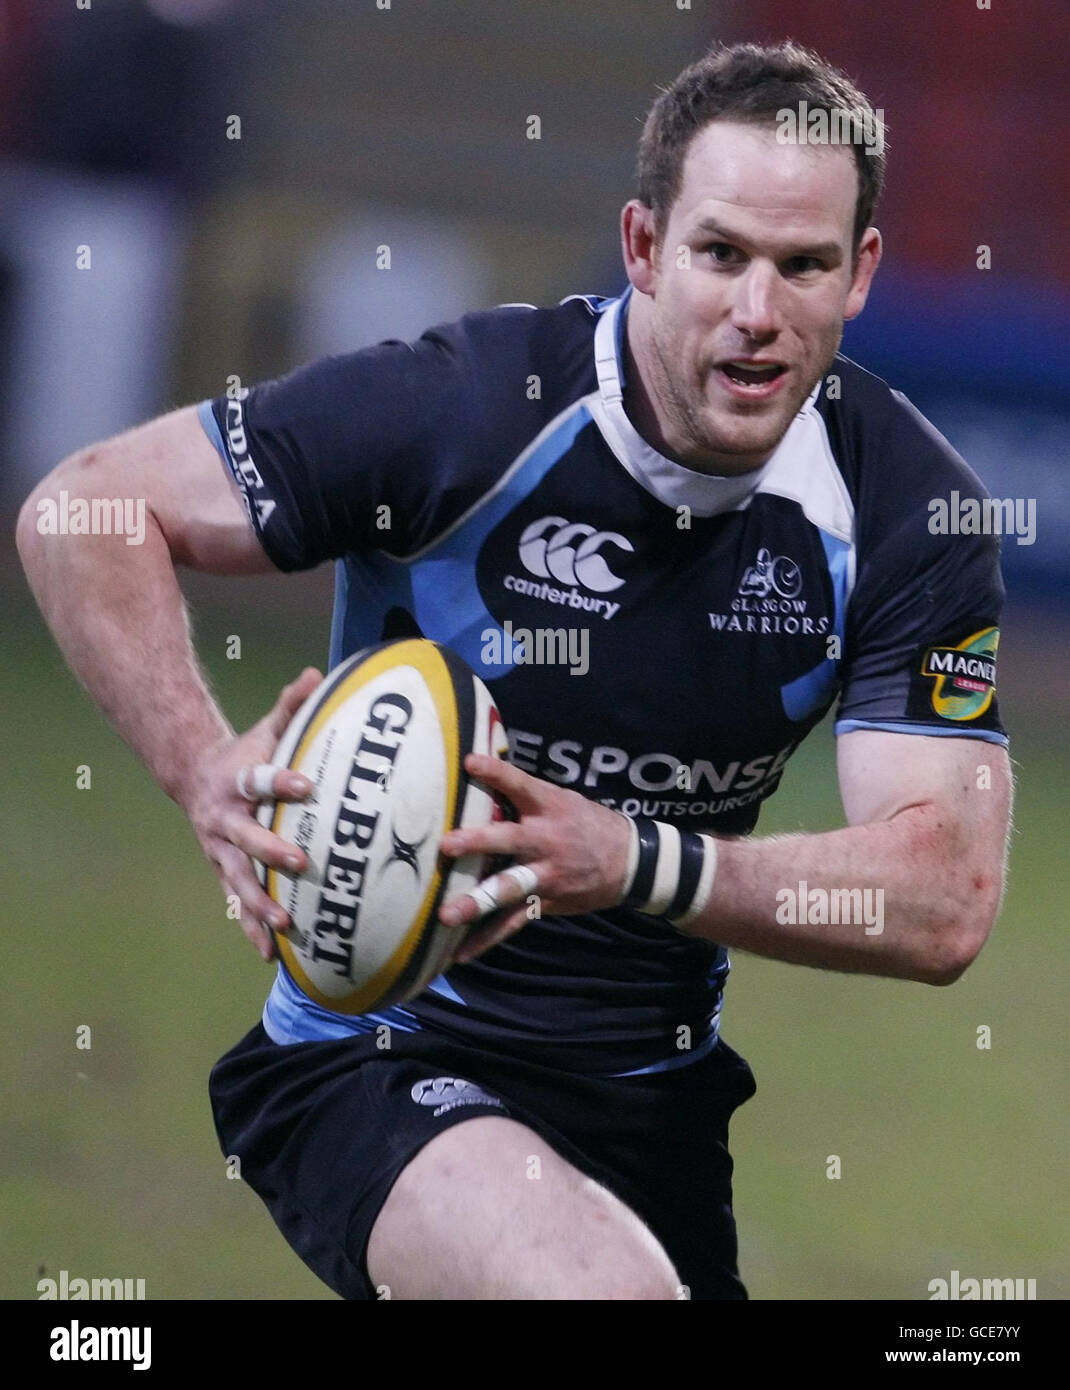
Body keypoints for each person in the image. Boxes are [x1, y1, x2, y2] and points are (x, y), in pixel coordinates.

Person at [16, 41, 1012, 1301]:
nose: (756, 311)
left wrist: (633, 860)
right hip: (372, 1053)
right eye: (718, 255)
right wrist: (201, 763)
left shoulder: (905, 510)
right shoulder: (467, 409)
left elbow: (942, 900)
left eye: (802, 264)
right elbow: (84, 510)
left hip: (649, 1099)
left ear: (859, 272)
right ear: (642, 246)